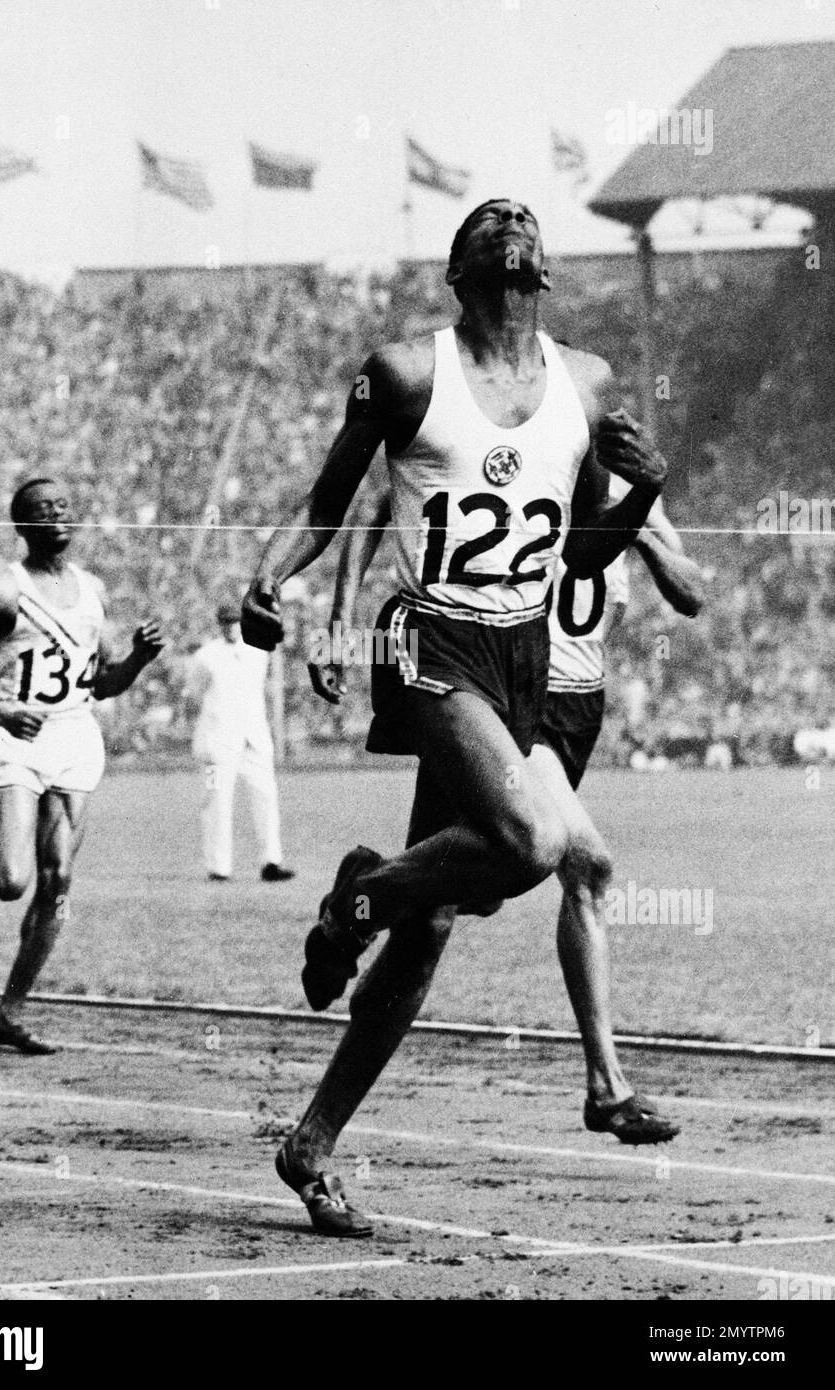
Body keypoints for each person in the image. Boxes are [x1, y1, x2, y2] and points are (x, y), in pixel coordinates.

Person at [241, 198, 672, 1235]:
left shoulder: (588, 380)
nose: (515, 230)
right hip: (427, 638)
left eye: (527, 237)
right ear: (461, 273)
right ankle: (358, 900)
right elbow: (326, 502)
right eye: (496, 232)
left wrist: (638, 493)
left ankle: (312, 1139)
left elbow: (576, 555)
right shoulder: (403, 372)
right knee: (535, 842)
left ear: (543, 278)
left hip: (523, 650)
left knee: (428, 925)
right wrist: (268, 582)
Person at [309, 477, 704, 1187]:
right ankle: (605, 1086)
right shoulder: (520, 459)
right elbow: (378, 506)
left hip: (578, 710)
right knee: (585, 862)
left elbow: (691, 594)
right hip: (505, 696)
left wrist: (637, 524)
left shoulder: (618, 484)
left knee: (441, 915)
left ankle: (364, 896)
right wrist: (343, 625)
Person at [0, 477, 165, 1054]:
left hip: (75, 738)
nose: (57, 516)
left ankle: (10, 1014)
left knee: (58, 880)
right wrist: (0, 711)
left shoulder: (93, 590)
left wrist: (139, 657)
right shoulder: (2, 590)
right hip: (19, 737)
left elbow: (105, 681)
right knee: (11, 882)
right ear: (21, 524)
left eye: (64, 507)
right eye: (42, 510)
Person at [184, 602, 294, 883]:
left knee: (266, 796)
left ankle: (271, 862)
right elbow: (194, 695)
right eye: (226, 622)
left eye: (235, 622)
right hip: (216, 742)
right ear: (219, 624)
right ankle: (219, 867)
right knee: (216, 801)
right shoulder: (205, 656)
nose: (230, 627)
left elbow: (276, 631)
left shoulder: (258, 650)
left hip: (253, 737)